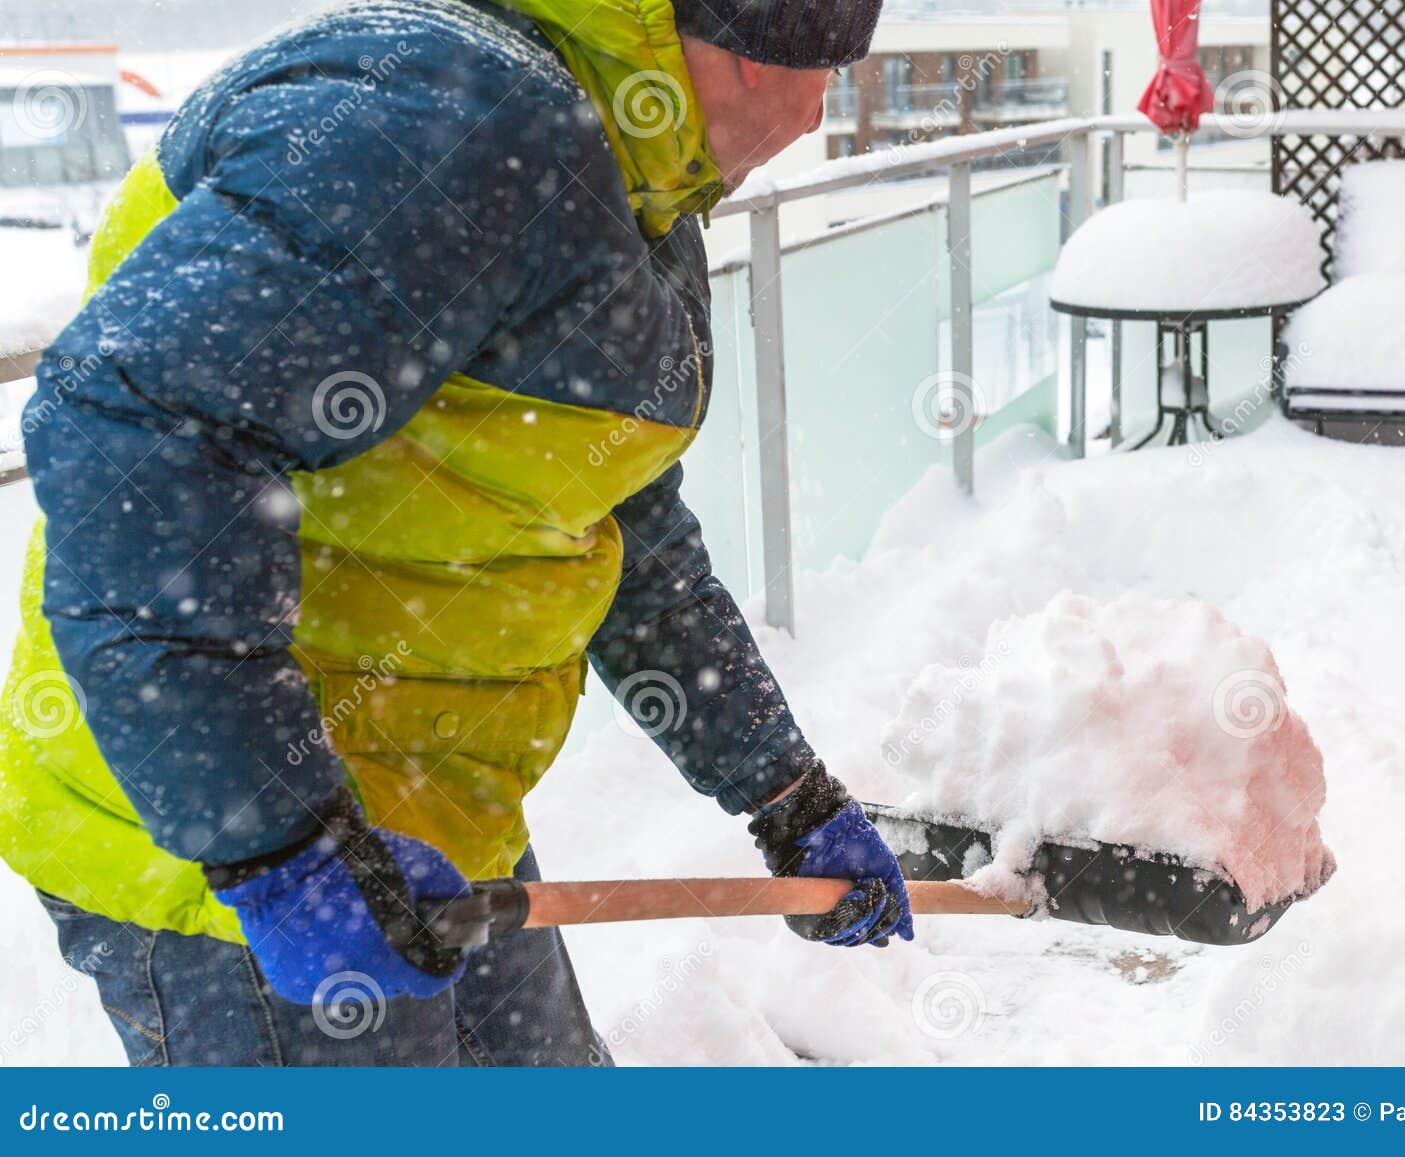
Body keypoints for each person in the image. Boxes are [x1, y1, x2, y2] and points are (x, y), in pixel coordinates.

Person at [0, 0, 909, 1067]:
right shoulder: (446, 119)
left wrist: (786, 790)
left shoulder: (634, 195)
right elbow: (136, 427)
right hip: (236, 872)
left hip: (429, 829)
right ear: (759, 56)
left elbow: (618, 530)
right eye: (829, 80)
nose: (814, 122)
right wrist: (282, 848)